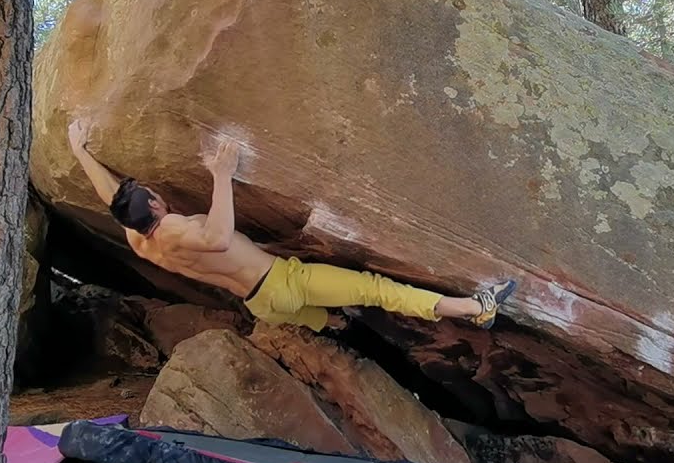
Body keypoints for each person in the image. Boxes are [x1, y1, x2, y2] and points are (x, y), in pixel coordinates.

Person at [67, 119, 516, 332]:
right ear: (158, 205)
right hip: (286, 283)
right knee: (376, 288)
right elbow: (218, 238)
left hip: (262, 304)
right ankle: (475, 309)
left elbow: (113, 198)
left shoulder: (140, 238)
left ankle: (339, 329)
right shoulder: (175, 230)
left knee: (336, 323)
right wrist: (221, 174)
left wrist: (80, 151)